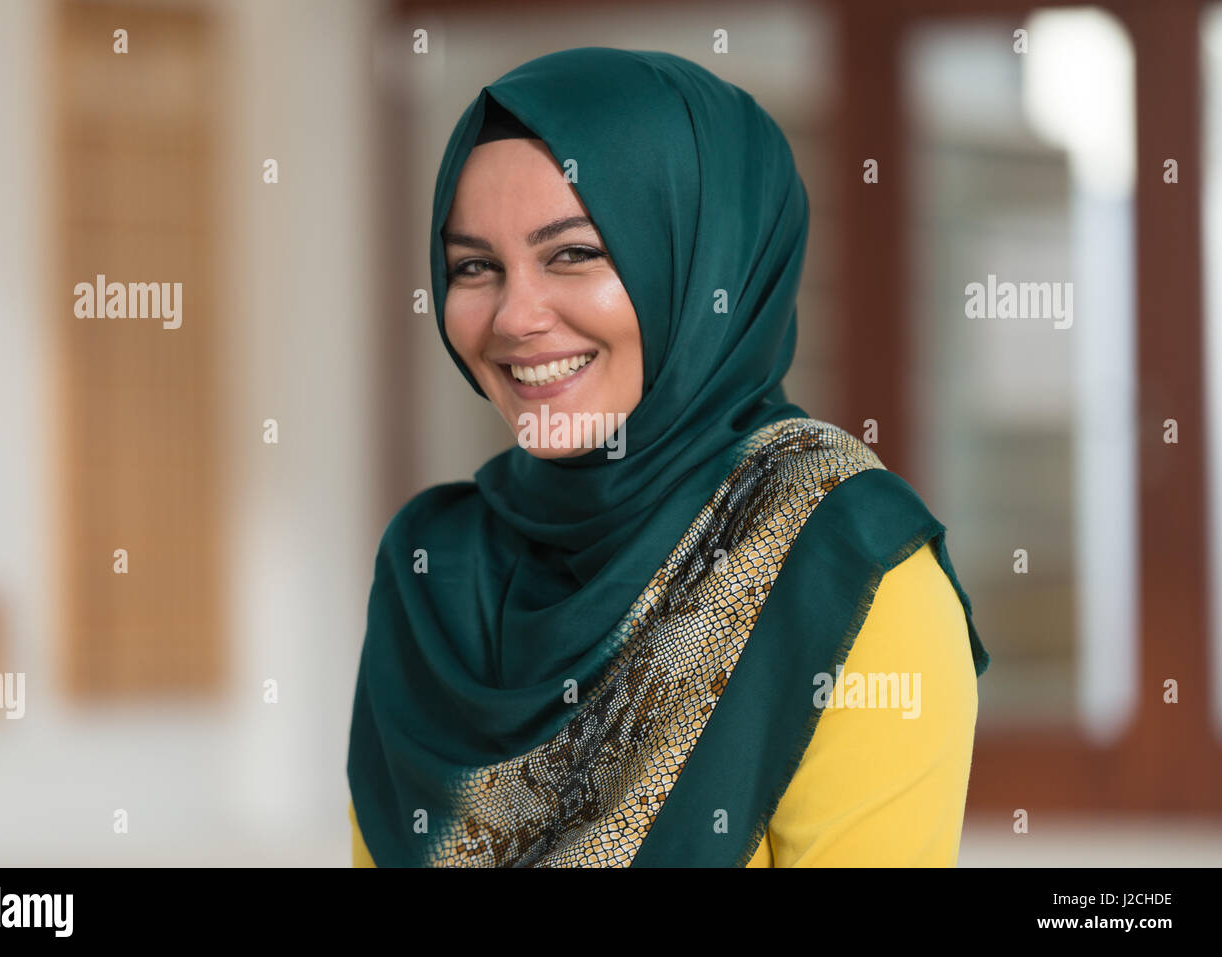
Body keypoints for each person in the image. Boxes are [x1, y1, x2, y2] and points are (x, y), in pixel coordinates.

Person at [346, 47, 990, 867]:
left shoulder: (843, 564)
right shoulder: (431, 572)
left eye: (573, 253)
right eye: (475, 266)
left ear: (704, 262)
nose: (514, 316)